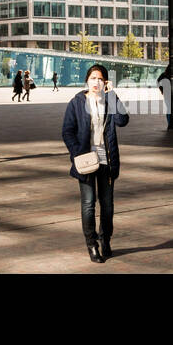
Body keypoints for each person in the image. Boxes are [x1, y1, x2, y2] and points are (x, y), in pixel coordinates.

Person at [61, 64, 130, 264]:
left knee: (107, 206)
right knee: (89, 204)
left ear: (105, 82)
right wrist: (77, 153)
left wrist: (112, 95)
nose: (96, 82)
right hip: (85, 161)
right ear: (87, 80)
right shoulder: (76, 102)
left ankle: (105, 240)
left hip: (107, 161)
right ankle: (92, 244)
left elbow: (123, 120)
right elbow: (67, 131)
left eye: (100, 79)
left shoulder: (109, 101)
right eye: (93, 78)